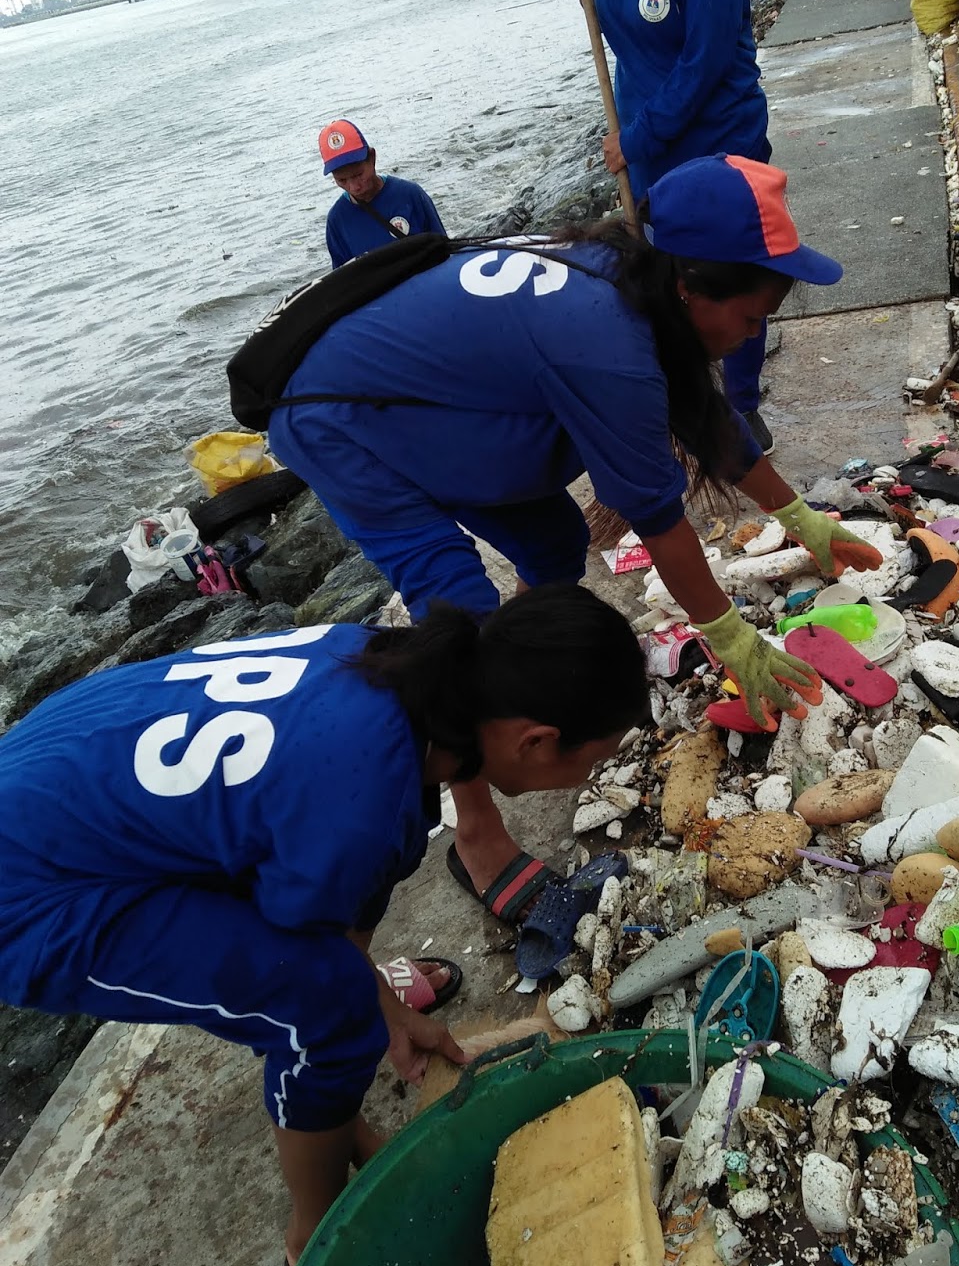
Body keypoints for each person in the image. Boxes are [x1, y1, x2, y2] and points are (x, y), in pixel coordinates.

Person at [264, 153, 883, 921]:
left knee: (555, 545)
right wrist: (730, 636)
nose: (755, 334)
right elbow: (658, 518)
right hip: (345, 416)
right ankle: (477, 829)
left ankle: (523, 687)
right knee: (455, 607)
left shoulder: (636, 274)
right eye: (753, 317)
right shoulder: (608, 343)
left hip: (439, 401)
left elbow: (705, 419)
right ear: (692, 286)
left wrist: (804, 521)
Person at [0, 586, 648, 1266]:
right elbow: (313, 959)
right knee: (324, 1011)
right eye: (593, 757)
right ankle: (313, 1232)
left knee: (335, 989)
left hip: (59, 764)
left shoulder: (387, 665)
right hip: (33, 891)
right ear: (537, 741)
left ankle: (330, 1120)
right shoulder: (361, 798)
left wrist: (386, 1006)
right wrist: (354, 1013)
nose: (591, 772)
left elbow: (339, 898)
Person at [550, 0, 776, 450]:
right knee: (667, 280)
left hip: (715, 130)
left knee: (728, 280)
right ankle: (687, 395)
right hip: (646, 130)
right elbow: (607, 11)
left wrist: (640, 137)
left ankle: (740, 410)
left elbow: (704, 64)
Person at [319, 118, 445, 268]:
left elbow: (444, 248)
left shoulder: (411, 195)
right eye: (342, 180)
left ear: (372, 158)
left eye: (358, 175)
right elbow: (343, 280)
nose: (354, 187)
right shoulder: (337, 220)